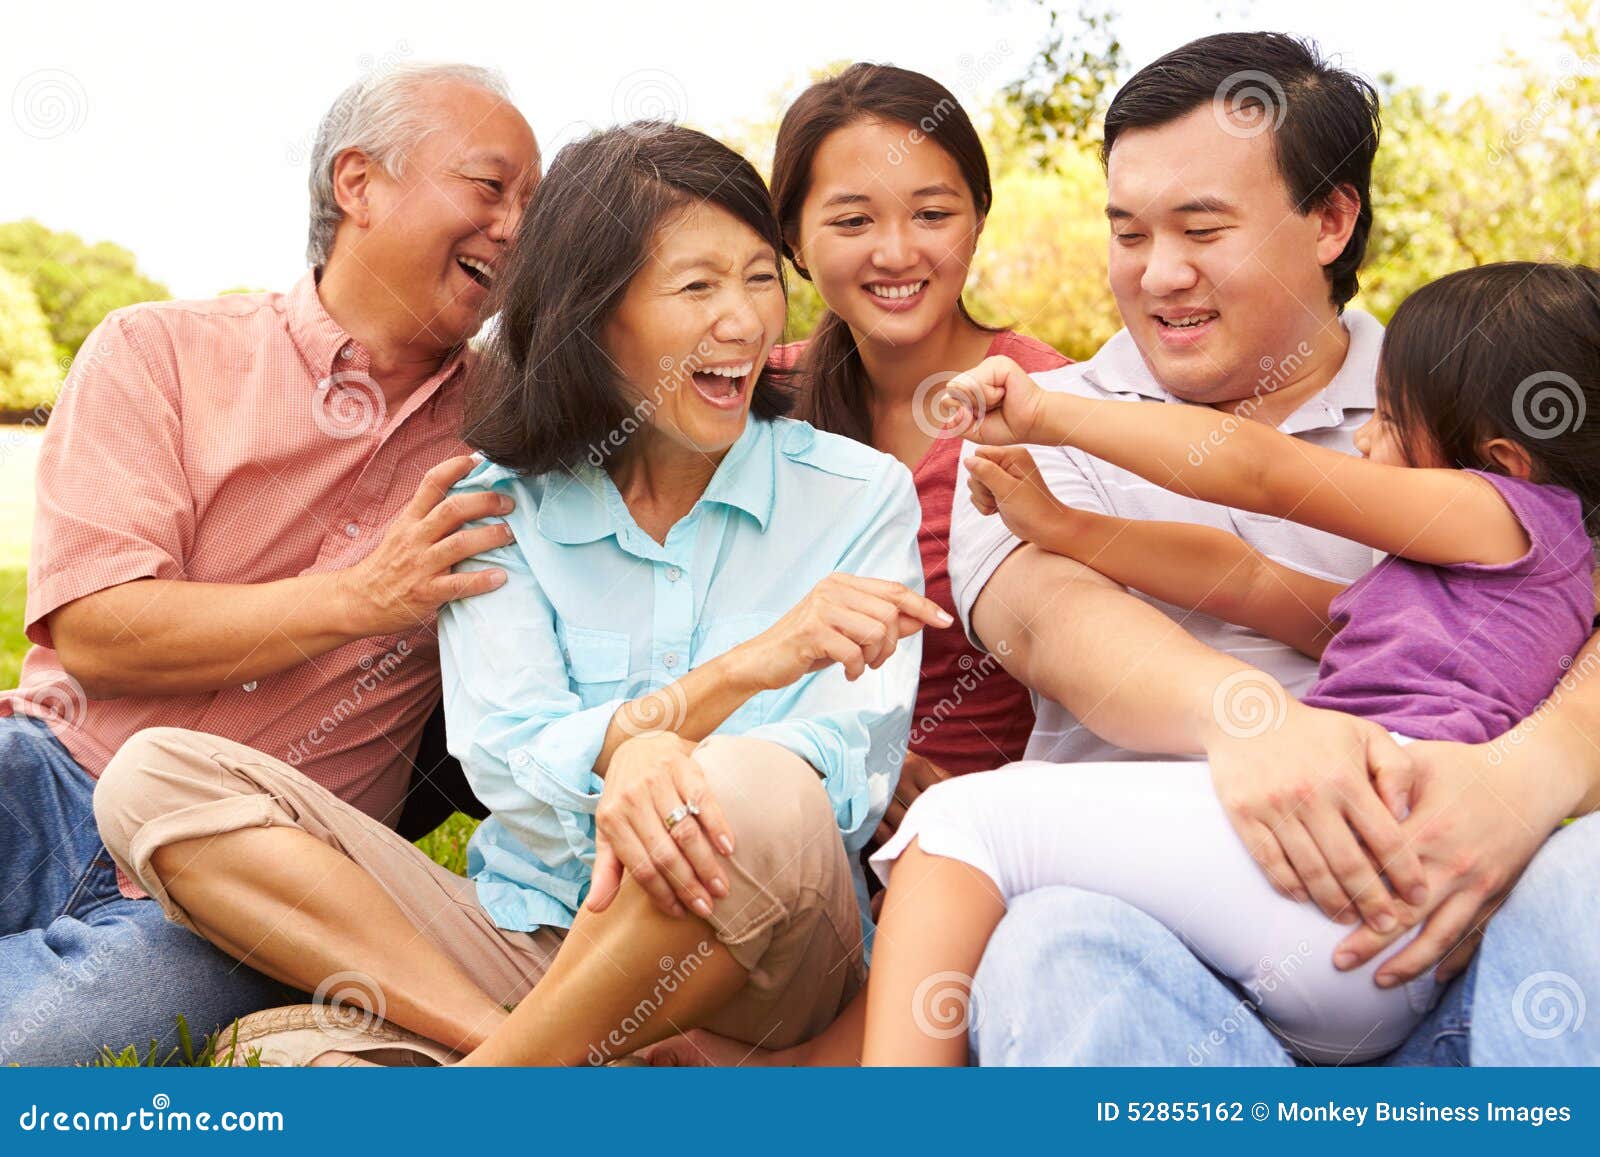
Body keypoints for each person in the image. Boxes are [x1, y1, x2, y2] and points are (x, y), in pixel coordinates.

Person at [94, 122, 945, 1067]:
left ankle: (494, 1086)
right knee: (154, 776)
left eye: (757, 278)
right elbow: (509, 762)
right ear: (594, 315)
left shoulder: (859, 495)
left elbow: (838, 781)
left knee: (761, 785)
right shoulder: (498, 501)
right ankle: (536, 1053)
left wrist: (663, 759)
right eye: (697, 285)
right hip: (526, 940)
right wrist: (698, 704)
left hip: (754, 963)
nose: (744, 321)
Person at [851, 260, 1598, 1065]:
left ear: (1502, 462)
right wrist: (1065, 527)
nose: (1364, 437)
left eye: (1388, 417)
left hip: (1370, 850)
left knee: (958, 825)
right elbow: (1238, 575)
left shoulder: (1512, 517)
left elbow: (1262, 470)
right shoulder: (1467, 595)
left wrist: (1048, 412)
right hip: (1373, 939)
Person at [0, 62, 536, 1065]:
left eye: (532, 207)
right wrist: (364, 599)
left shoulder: (524, 430)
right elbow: (101, 632)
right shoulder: (157, 352)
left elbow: (690, 338)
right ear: (358, 183)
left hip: (237, 888)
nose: (514, 227)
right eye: (489, 186)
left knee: (30, 1051)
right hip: (42, 777)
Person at [767, 63, 1071, 846]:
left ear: (977, 217)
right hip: (780, 812)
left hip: (986, 842)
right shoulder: (752, 398)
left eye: (932, 213)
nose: (897, 252)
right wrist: (852, 755)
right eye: (852, 221)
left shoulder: (1049, 401)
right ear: (793, 242)